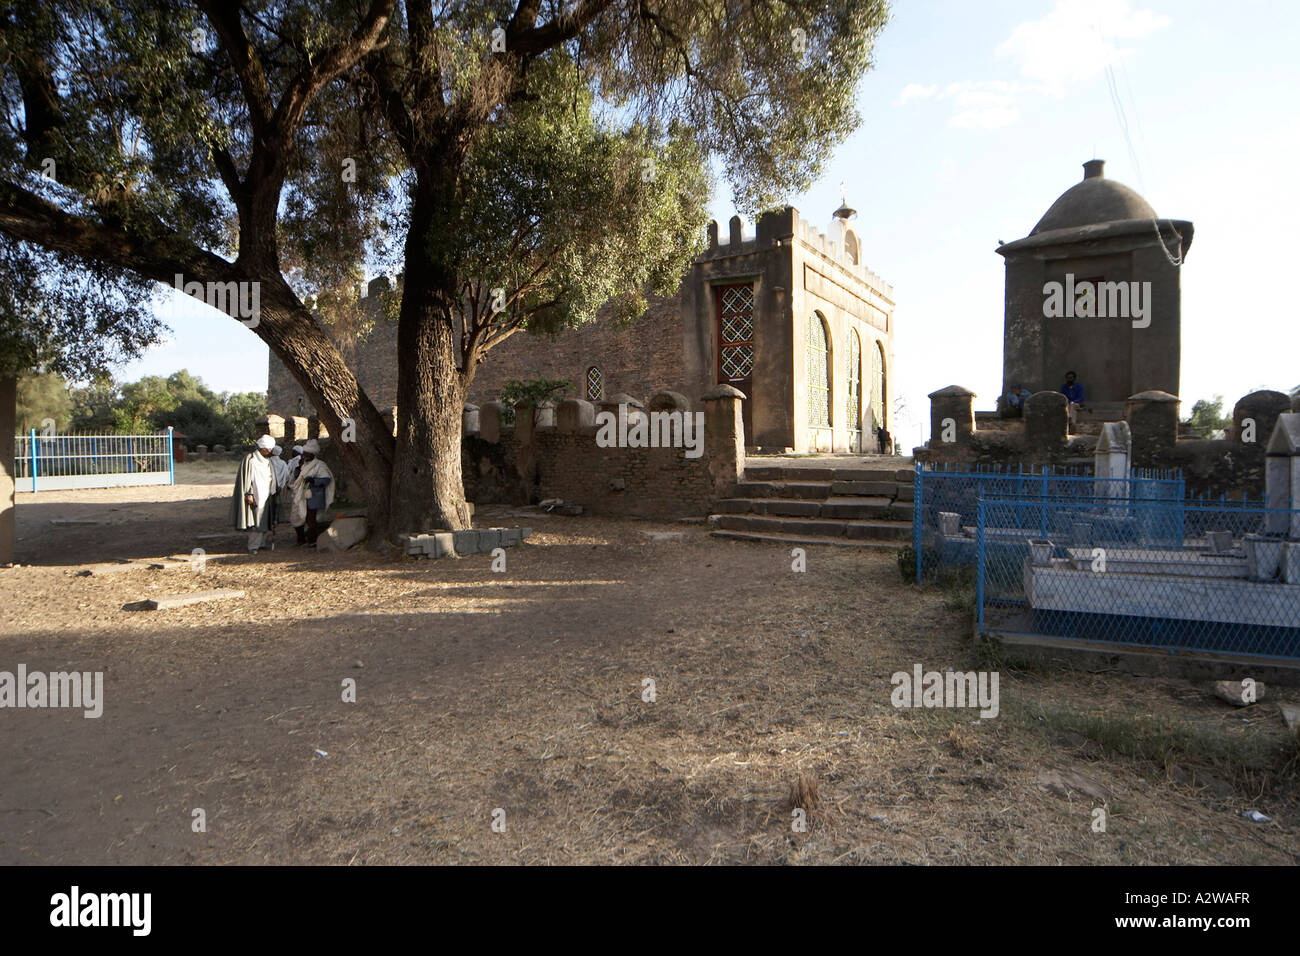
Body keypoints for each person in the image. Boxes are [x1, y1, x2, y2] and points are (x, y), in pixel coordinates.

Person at [231, 435, 278, 553]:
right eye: (268, 449)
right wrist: (249, 493)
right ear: (263, 449)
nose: (270, 452)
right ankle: (253, 546)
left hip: (267, 494)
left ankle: (261, 544)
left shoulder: (268, 461)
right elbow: (247, 478)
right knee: (256, 522)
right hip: (256, 495)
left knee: (264, 521)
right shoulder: (250, 459)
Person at [291, 439, 335, 547]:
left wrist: (313, 481)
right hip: (302, 496)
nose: (304, 456)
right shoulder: (302, 465)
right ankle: (301, 539)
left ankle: (312, 541)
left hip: (313, 496)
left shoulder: (319, 465)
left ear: (312, 454)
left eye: (307, 454)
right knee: (297, 518)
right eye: (304, 453)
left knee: (311, 520)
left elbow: (326, 479)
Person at [269, 444, 293, 538]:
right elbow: (287, 475)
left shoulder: (268, 462)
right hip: (280, 486)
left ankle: (271, 519)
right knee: (279, 502)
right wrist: (282, 484)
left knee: (271, 502)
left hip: (270, 486)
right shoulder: (283, 463)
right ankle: (279, 518)